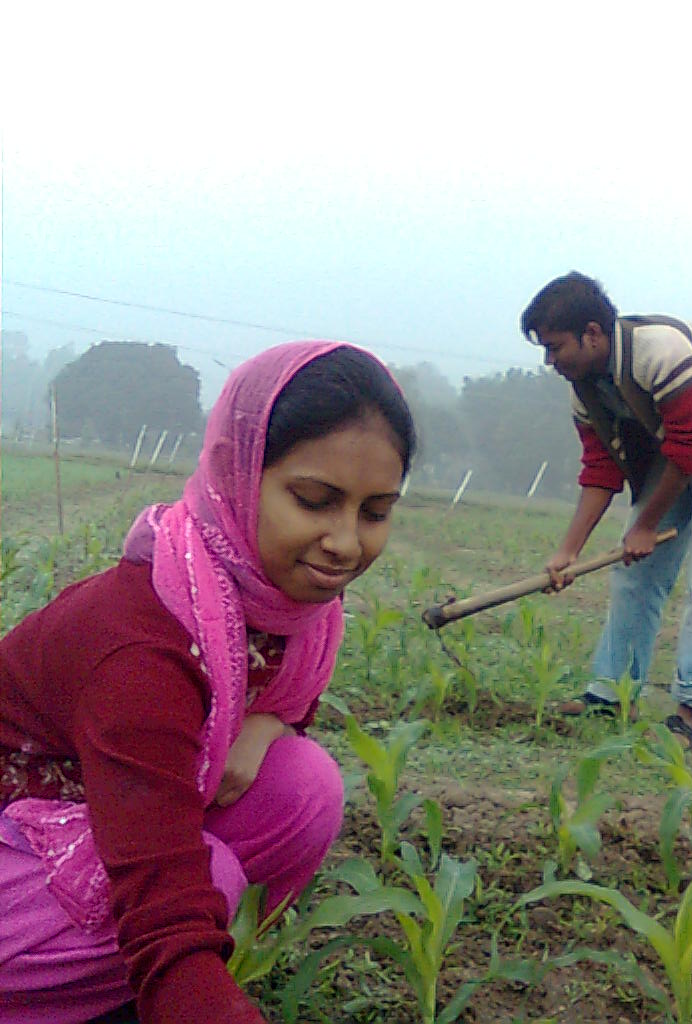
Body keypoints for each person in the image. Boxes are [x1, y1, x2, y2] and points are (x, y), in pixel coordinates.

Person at [0, 342, 417, 1024]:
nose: (346, 542)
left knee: (302, 786)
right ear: (240, 474)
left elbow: (291, 700)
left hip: (86, 809)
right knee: (206, 881)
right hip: (16, 821)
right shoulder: (147, 641)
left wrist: (268, 724)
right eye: (315, 501)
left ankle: (135, 986)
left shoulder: (281, 610)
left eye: (374, 512)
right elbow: (162, 901)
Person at [522, 272, 692, 749]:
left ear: (592, 333)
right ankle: (612, 694)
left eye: (556, 348)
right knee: (634, 573)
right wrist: (568, 552)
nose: (550, 361)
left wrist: (646, 524)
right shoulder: (585, 388)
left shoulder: (660, 352)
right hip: (677, 444)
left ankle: (690, 716)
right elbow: (600, 470)